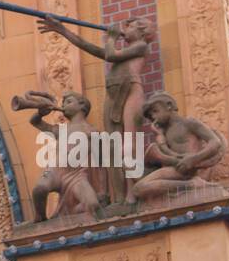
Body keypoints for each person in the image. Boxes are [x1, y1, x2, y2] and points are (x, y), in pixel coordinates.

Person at [37, 15, 155, 204]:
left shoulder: (141, 46)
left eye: (129, 25)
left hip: (131, 91)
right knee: (113, 148)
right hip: (113, 94)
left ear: (142, 31)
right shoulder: (123, 50)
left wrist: (111, 38)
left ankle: (133, 192)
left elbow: (110, 55)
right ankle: (118, 197)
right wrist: (63, 31)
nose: (124, 28)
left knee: (127, 146)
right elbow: (95, 50)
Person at [129, 91, 225, 203]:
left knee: (138, 189)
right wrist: (160, 139)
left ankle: (193, 184)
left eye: (156, 111)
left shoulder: (189, 123)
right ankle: (191, 185)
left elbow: (215, 142)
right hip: (176, 168)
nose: (154, 117)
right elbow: (170, 155)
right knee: (138, 188)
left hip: (189, 168)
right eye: (151, 116)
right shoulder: (166, 132)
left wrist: (193, 159)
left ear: (169, 106)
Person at [25, 90, 102, 220]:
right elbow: (35, 122)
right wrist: (40, 113)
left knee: (93, 204)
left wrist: (102, 192)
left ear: (82, 106)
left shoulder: (92, 132)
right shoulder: (61, 130)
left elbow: (100, 165)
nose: (64, 106)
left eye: (69, 102)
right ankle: (40, 218)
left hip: (77, 175)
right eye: (63, 103)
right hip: (55, 170)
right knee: (39, 190)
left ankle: (71, 210)